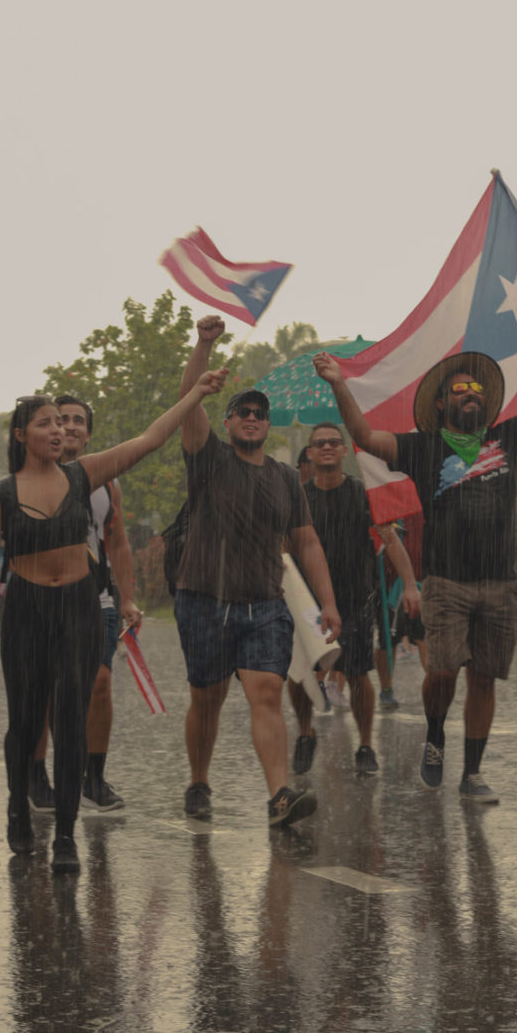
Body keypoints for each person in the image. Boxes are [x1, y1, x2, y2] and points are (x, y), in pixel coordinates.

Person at [314, 303, 517, 804]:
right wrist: (340, 385)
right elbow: (363, 437)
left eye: (477, 390)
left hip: (499, 584)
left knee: (484, 678)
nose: (471, 395)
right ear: (441, 405)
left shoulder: (509, 436)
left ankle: (473, 774)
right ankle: (436, 732)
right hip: (446, 582)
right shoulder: (423, 447)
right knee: (441, 673)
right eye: (460, 390)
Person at [0, 368, 227, 873]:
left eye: (60, 424)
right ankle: (18, 805)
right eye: (44, 424)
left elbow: (150, 439)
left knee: (69, 720)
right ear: (21, 435)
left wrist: (196, 391)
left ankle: (65, 836)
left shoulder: (86, 475)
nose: (57, 431)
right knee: (24, 721)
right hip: (25, 609)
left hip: (78, 609)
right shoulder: (0, 492)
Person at [175, 315, 340, 829]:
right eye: (242, 412)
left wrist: (328, 603)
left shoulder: (287, 479)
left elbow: (306, 541)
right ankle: (200, 779)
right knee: (207, 698)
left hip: (264, 604)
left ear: (268, 426)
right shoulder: (209, 459)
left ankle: (279, 797)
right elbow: (188, 404)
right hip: (204, 598)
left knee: (266, 690)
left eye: (259, 414)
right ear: (227, 422)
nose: (252, 418)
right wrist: (203, 349)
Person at [28, 394, 140, 814]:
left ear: (89, 434)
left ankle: (94, 777)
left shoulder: (107, 481)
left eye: (78, 420)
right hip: (42, 598)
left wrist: (127, 597)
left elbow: (119, 541)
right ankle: (37, 775)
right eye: (61, 419)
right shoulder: (27, 478)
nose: (69, 426)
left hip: (97, 598)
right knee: (40, 690)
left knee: (99, 683)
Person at [287, 423, 419, 776]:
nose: (327, 447)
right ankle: (304, 733)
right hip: (308, 603)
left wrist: (409, 583)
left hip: (356, 599)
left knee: (359, 676)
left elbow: (390, 540)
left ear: (344, 451)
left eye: (334, 442)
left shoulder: (363, 494)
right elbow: (283, 548)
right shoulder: (298, 498)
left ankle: (365, 745)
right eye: (320, 443)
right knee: (301, 675)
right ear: (310, 454)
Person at [374, 516, 427, 712]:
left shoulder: (423, 506)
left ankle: (434, 685)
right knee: (387, 639)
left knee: (425, 637)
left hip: (422, 581)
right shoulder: (387, 507)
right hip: (388, 583)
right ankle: (386, 689)